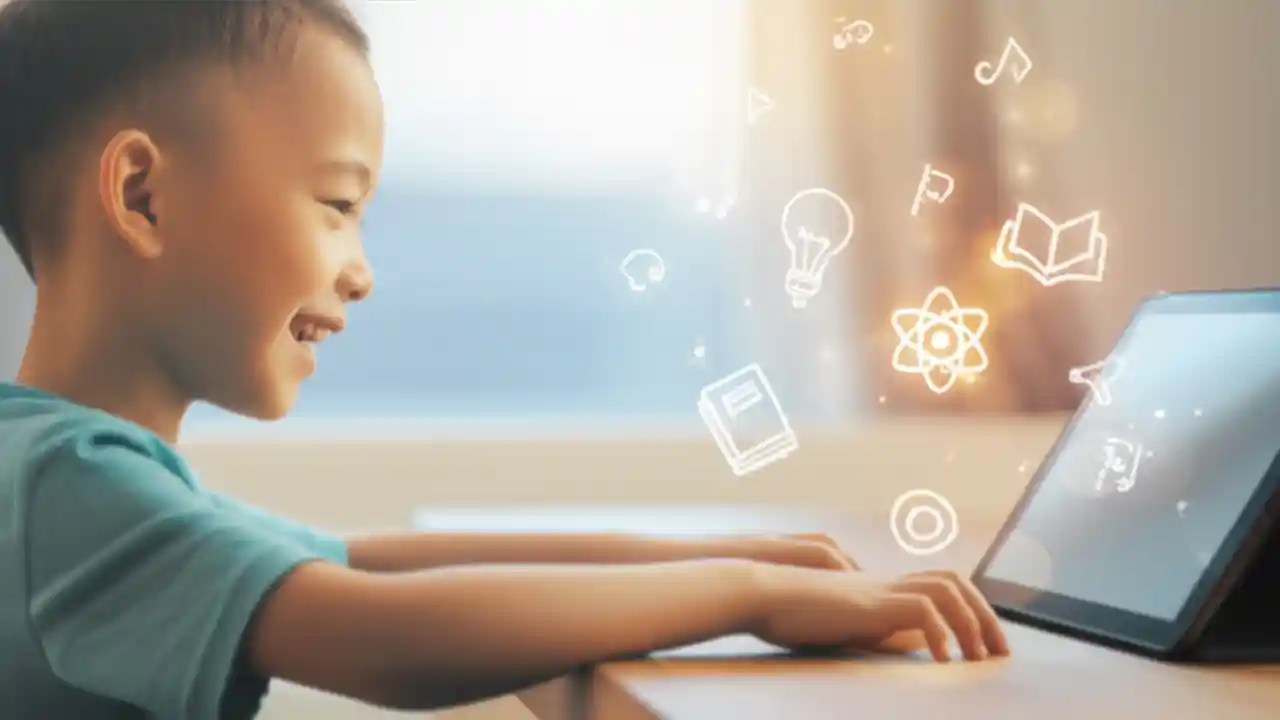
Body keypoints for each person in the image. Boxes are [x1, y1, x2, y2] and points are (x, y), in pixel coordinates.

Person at [0, 1, 1009, 717]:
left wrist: (724, 561)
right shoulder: (70, 489)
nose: (362, 273)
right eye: (338, 206)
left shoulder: (65, 468)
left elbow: (369, 560)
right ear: (141, 197)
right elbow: (383, 634)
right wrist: (743, 597)